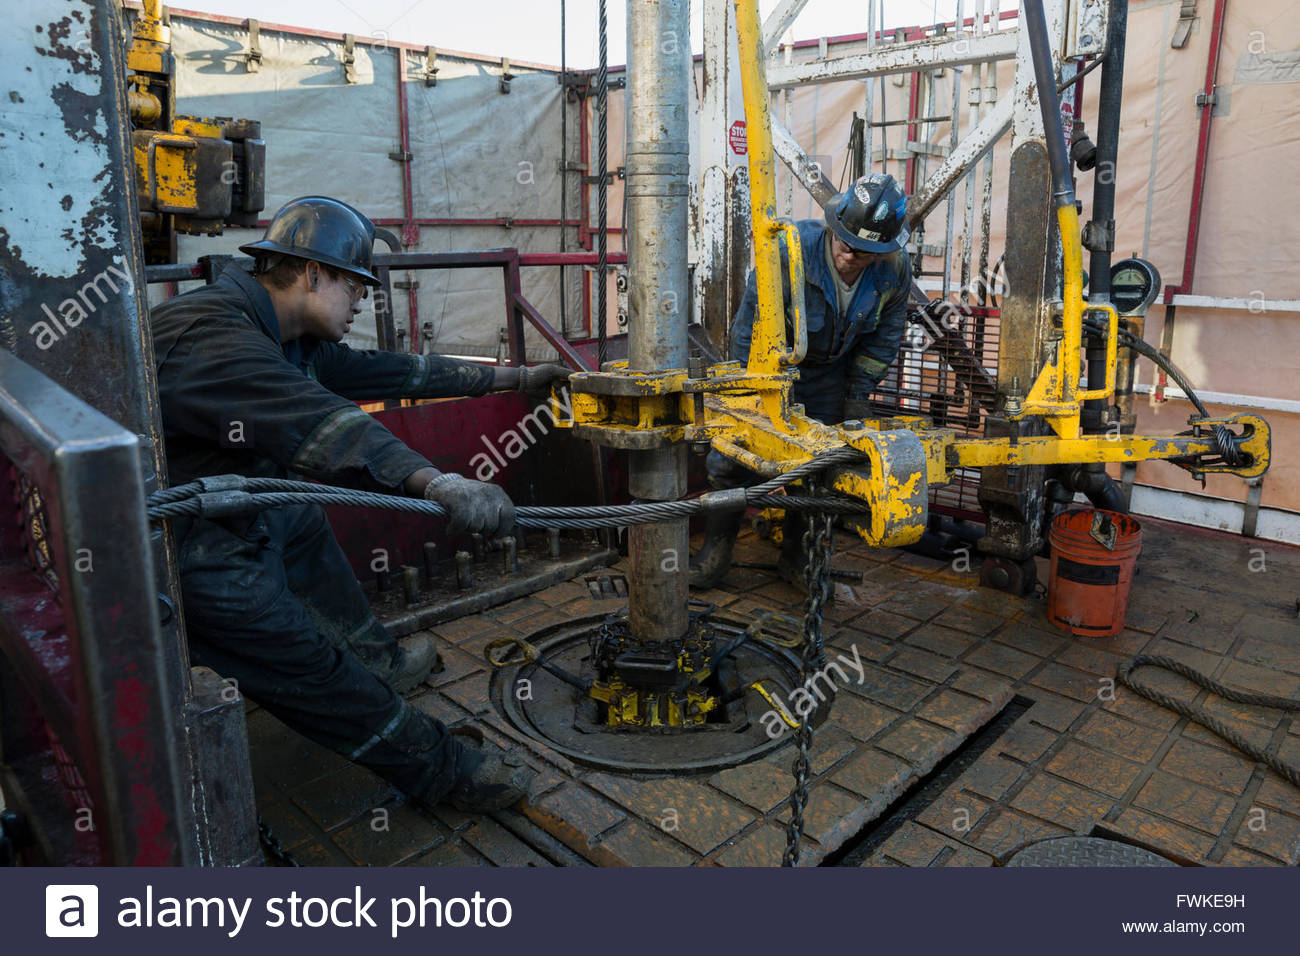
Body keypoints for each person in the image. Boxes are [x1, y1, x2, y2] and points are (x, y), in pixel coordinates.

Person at [151, 195, 570, 812]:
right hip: (173, 546)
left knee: (299, 519)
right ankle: (444, 771)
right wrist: (437, 482)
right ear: (313, 273)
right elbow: (331, 424)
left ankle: (379, 659)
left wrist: (513, 378)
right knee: (312, 669)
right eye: (355, 286)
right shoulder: (215, 334)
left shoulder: (281, 330)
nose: (361, 303)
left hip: (234, 505)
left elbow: (392, 372)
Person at [691, 173, 912, 590]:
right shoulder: (788, 251)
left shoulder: (894, 272)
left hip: (831, 379)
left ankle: (797, 561)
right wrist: (747, 392)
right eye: (846, 244)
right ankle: (714, 556)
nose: (850, 257)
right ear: (834, 226)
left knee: (817, 470)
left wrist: (857, 396)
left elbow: (885, 338)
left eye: (864, 253)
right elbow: (747, 328)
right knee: (730, 460)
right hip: (769, 373)